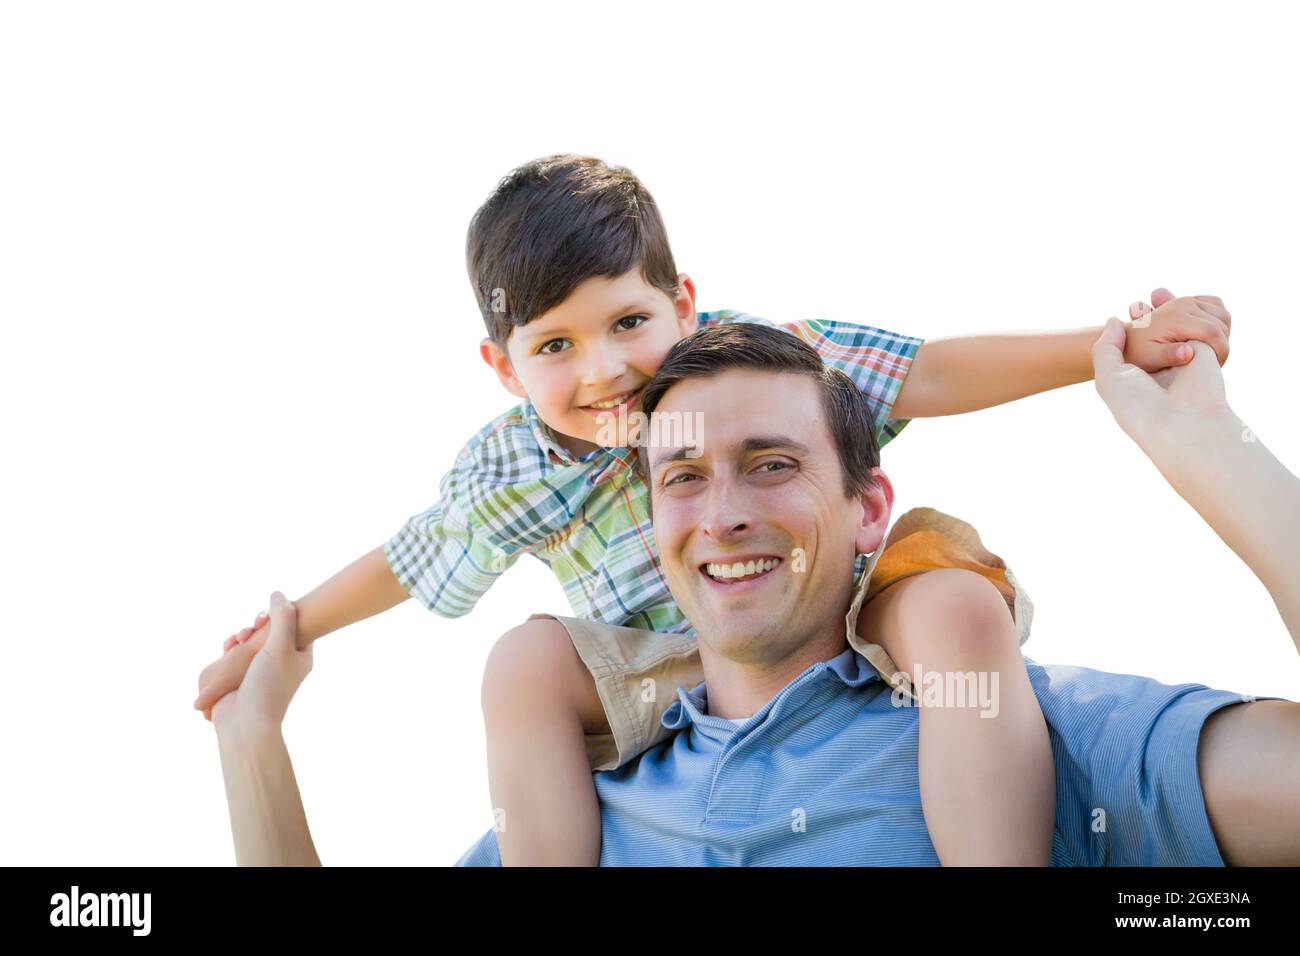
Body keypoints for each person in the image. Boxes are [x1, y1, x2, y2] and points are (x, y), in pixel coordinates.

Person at [195, 152, 1233, 866]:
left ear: (683, 304)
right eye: (554, 345)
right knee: (523, 662)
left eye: (627, 322)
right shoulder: (510, 467)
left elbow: (926, 370)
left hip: (839, 600)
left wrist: (1104, 351)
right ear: (501, 368)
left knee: (947, 597)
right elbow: (411, 556)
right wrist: (289, 632)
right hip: (668, 664)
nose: (603, 370)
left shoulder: (756, 364)